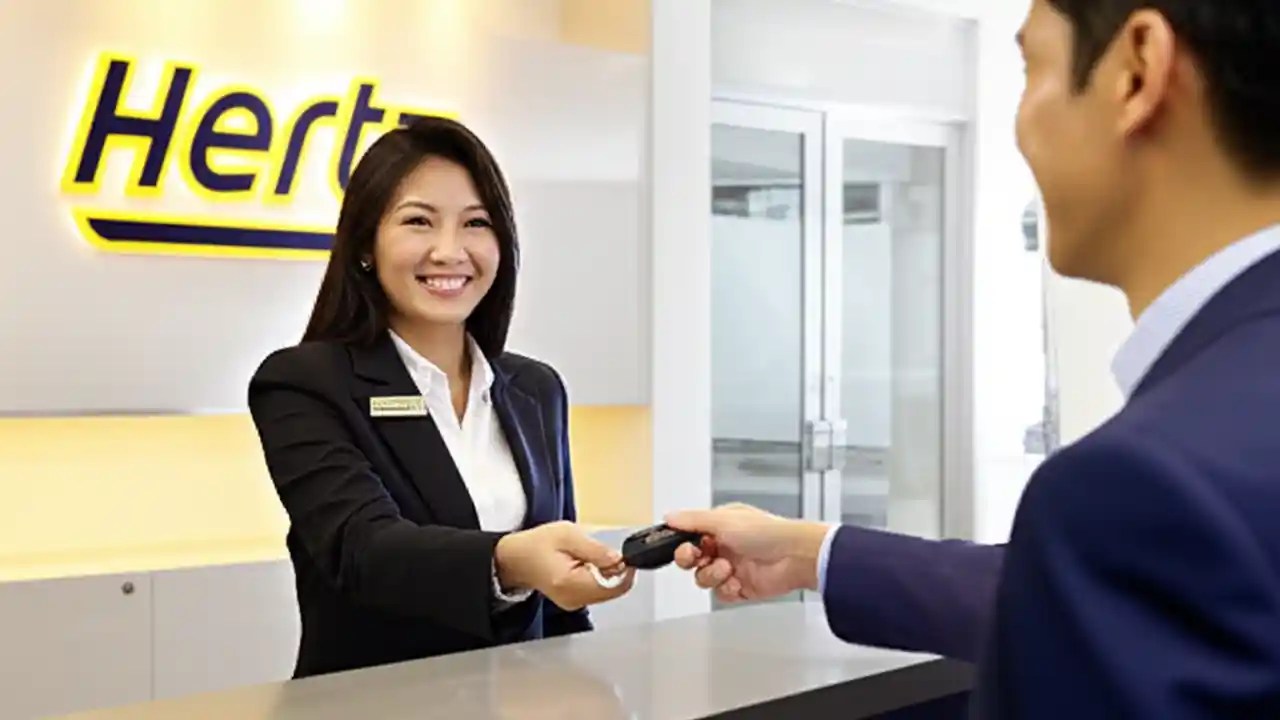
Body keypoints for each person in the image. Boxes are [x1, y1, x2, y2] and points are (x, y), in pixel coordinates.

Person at [669, 0, 1280, 715]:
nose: (1019, 128)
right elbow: (1154, 591)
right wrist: (814, 551)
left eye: (1032, 68)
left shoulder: (1143, 480)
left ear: (1136, 70)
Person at [248, 116, 633, 679]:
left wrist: (579, 681)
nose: (450, 251)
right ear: (364, 245)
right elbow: (363, 550)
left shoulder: (535, 390)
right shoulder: (304, 383)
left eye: (476, 223)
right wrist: (510, 561)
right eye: (419, 222)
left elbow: (558, 606)